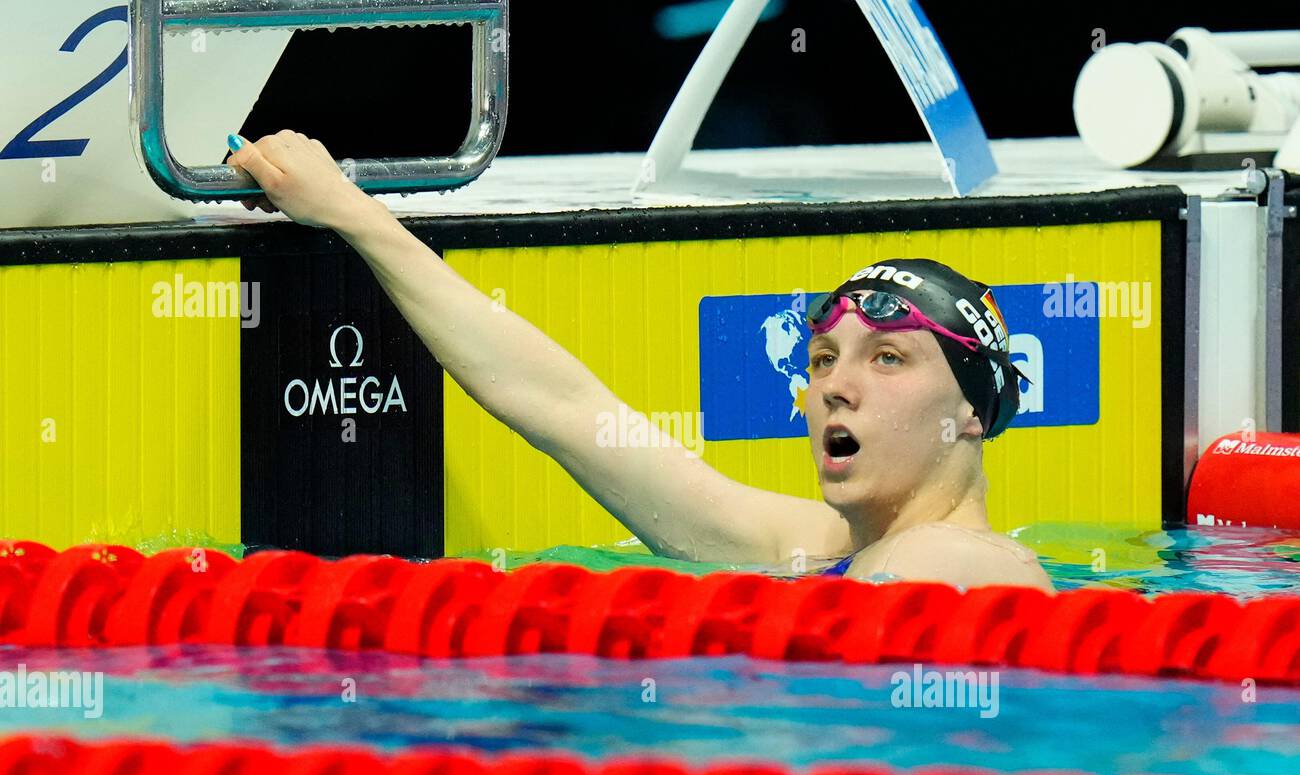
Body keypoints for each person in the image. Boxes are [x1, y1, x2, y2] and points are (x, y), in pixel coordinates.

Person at [225, 131, 1055, 593]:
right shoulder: (804, 545)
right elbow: (564, 408)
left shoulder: (956, 568)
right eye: (827, 358)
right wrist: (349, 211)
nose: (837, 386)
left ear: (971, 413)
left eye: (888, 360)